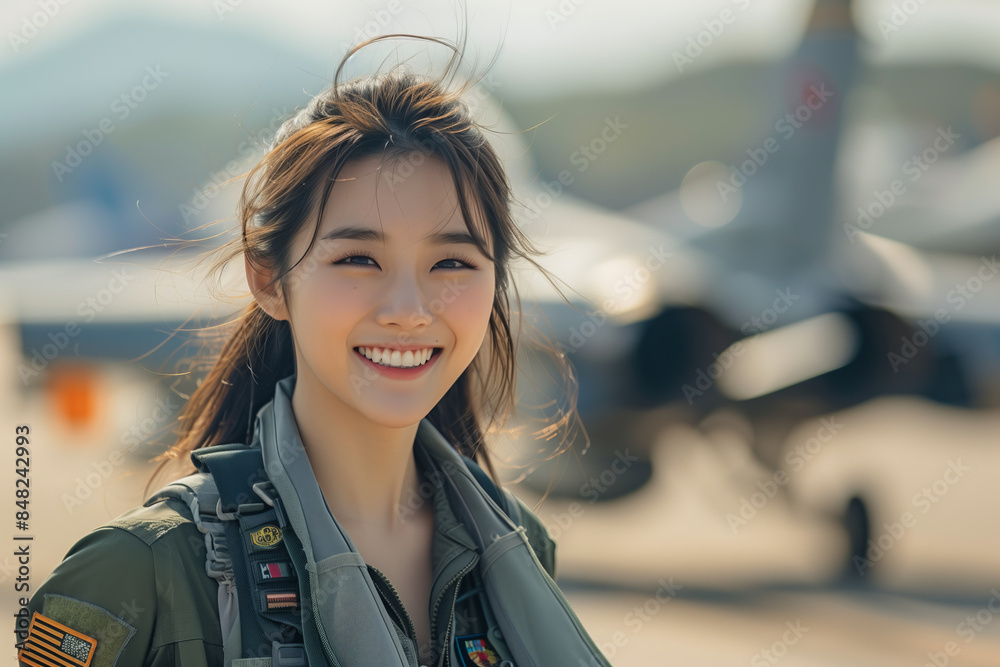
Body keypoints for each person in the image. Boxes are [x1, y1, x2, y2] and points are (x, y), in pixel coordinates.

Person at [17, 31, 612, 667]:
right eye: (358, 259)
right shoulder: (139, 571)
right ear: (268, 281)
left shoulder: (518, 548)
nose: (409, 310)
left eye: (452, 263)